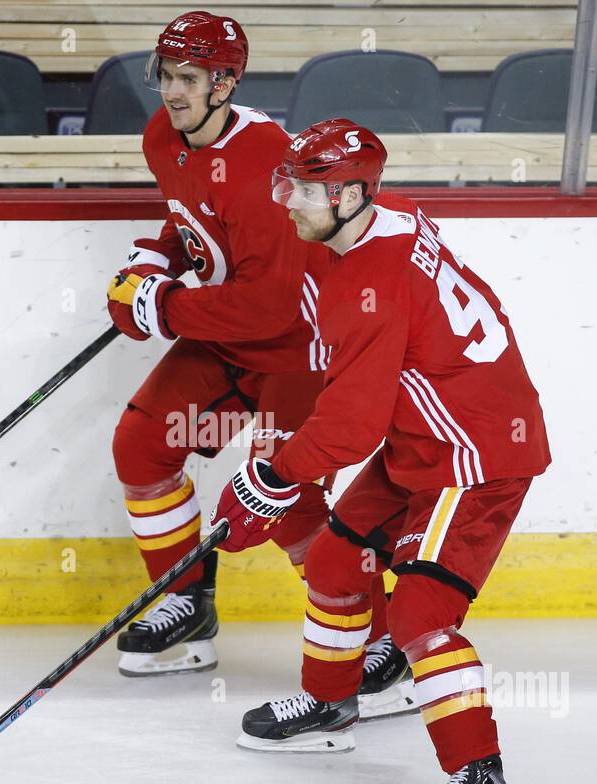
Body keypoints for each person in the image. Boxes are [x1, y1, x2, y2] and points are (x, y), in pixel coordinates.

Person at [211, 119, 551, 784]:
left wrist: (269, 479)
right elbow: (360, 402)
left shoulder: (369, 279)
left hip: (473, 453)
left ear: (355, 192)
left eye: (306, 189)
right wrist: (280, 473)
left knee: (420, 613)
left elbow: (350, 426)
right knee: (337, 560)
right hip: (424, 435)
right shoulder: (379, 229)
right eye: (289, 183)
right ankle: (331, 708)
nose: (289, 200)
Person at [106, 12, 404, 689]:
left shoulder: (265, 163)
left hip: (299, 348)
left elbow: (268, 303)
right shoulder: (162, 137)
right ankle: (186, 603)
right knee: (143, 444)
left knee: (287, 500)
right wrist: (154, 257)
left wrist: (160, 307)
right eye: (167, 76)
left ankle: (389, 644)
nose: (173, 93)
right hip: (231, 340)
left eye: (190, 79)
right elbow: (196, 215)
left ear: (226, 83)